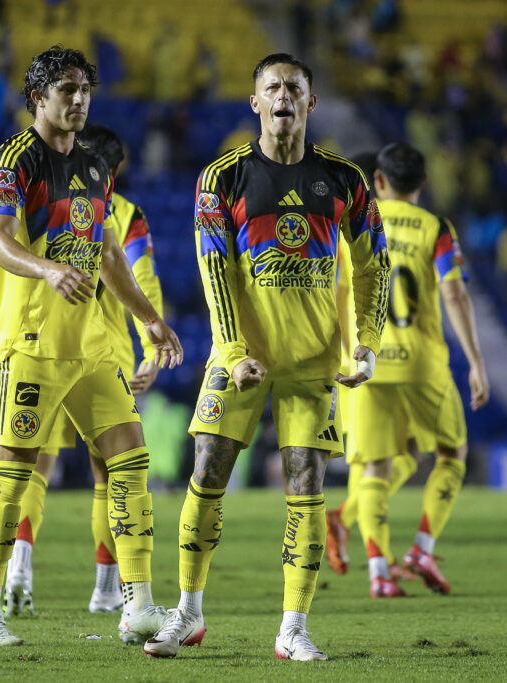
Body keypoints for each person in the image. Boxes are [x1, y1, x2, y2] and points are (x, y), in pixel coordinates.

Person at [143, 53, 390, 661]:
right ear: (255, 103)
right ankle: (188, 614)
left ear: (310, 103)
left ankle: (293, 628)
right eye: (272, 87)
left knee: (306, 486)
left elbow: (374, 263)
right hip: (242, 359)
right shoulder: (221, 179)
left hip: (313, 364)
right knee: (206, 476)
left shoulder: (345, 182)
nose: (284, 96)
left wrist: (367, 342)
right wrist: (231, 351)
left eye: (295, 88)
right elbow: (213, 270)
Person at [0, 45, 183, 647]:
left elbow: (111, 252)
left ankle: (138, 604)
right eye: (66, 89)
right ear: (38, 98)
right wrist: (46, 270)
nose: (78, 99)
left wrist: (148, 319)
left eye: (84, 88)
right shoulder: (12, 163)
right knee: (11, 476)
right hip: (30, 343)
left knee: (132, 461)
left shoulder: (94, 165)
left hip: (91, 348)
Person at [3, 124, 167, 619]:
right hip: (102, 349)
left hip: (40, 342)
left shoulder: (41, 191)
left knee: (32, 463)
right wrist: (148, 346)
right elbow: (142, 278)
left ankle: (19, 566)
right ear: (117, 170)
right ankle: (105, 589)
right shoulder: (125, 213)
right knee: (110, 471)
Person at [334, 142, 489, 599]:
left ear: (378, 181)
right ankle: (421, 549)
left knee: (377, 468)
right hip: (422, 365)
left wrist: (348, 357)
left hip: (368, 363)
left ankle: (379, 572)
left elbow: (342, 292)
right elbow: (455, 294)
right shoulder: (436, 228)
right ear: (424, 182)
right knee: (450, 454)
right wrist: (477, 362)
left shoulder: (359, 222)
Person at [325, 152, 418, 578]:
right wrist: (357, 351)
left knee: (372, 461)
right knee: (392, 457)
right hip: (361, 360)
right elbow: (344, 290)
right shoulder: (351, 231)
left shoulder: (350, 225)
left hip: (363, 356)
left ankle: (369, 547)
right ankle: (349, 528)